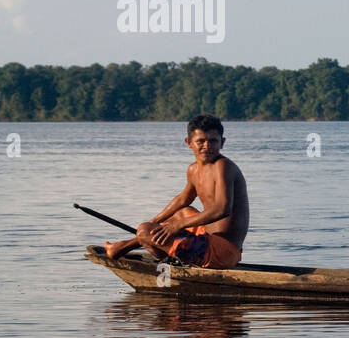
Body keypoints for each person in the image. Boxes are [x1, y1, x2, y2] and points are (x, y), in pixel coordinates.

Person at [104, 114, 249, 269]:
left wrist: (175, 226)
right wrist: (155, 222)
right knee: (180, 213)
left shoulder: (223, 167)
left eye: (213, 141)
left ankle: (123, 247)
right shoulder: (193, 169)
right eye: (201, 141)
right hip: (207, 239)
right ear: (189, 143)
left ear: (222, 142)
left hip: (222, 252)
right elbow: (182, 200)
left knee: (146, 230)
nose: (207, 146)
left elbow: (222, 209)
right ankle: (135, 244)